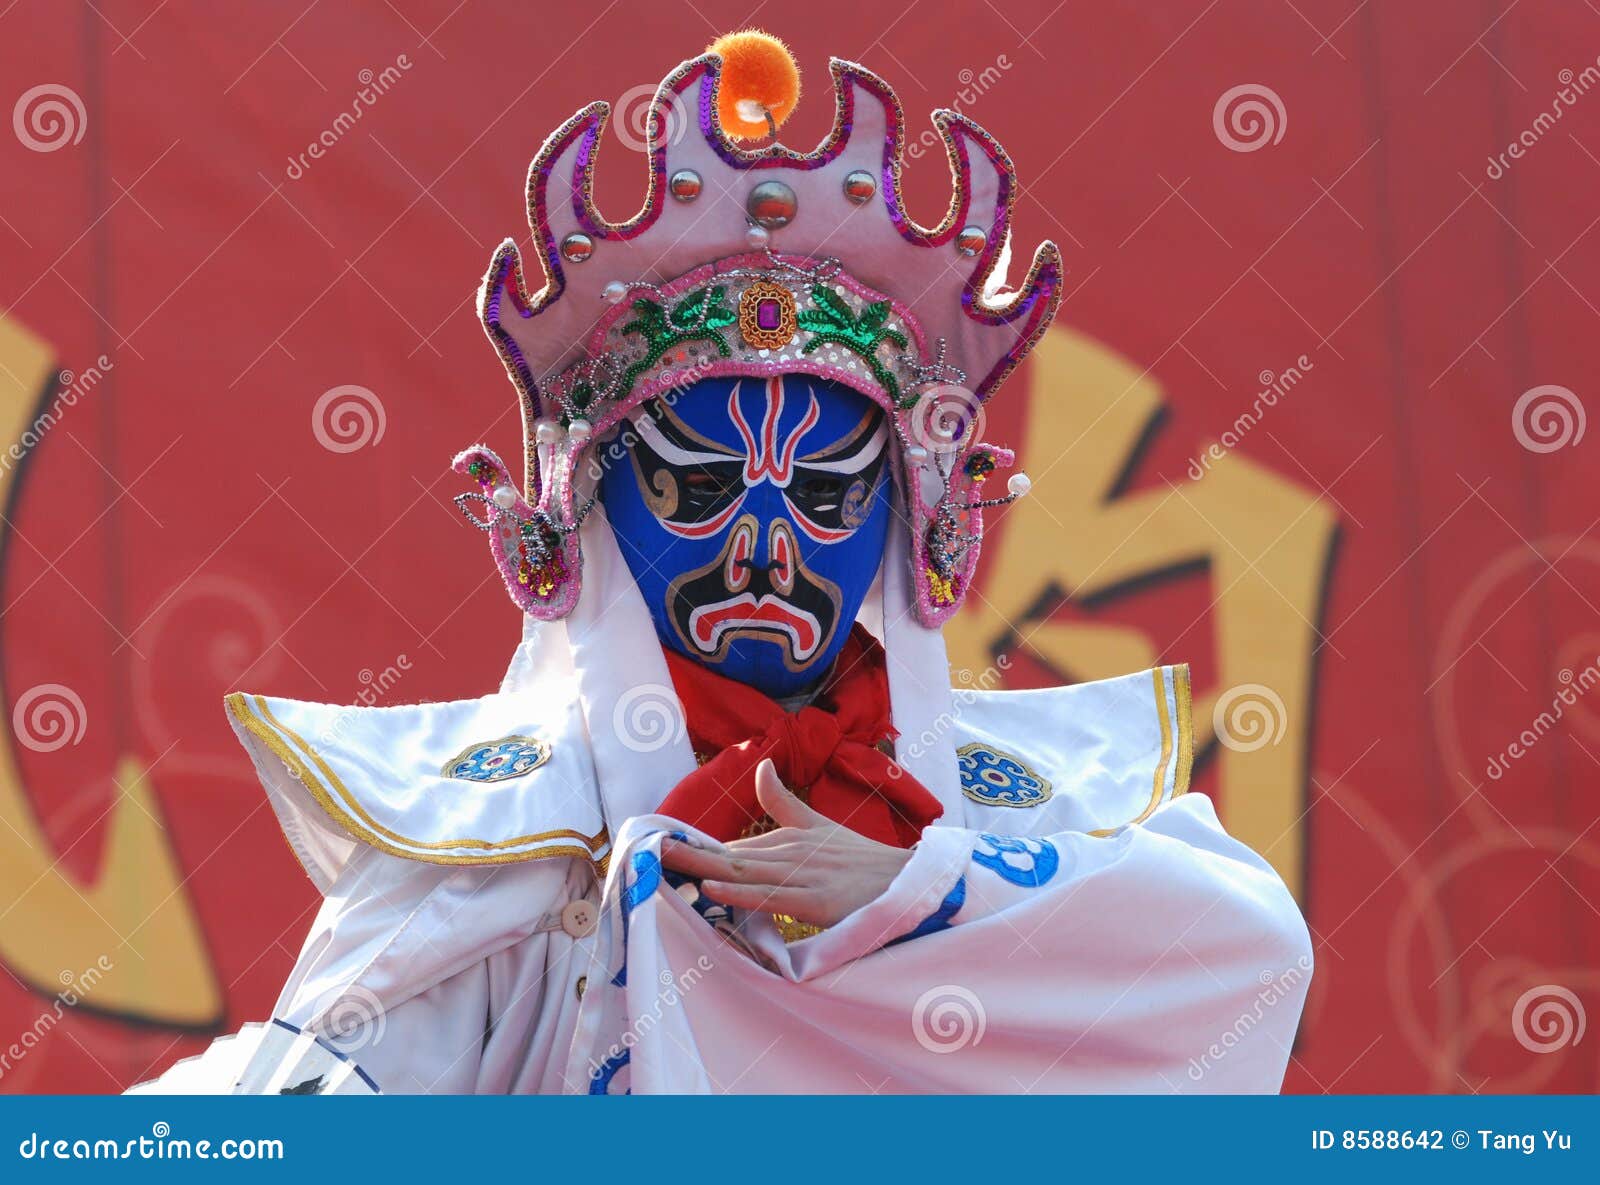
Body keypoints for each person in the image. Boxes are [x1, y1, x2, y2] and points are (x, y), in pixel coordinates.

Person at [134, 30, 1311, 1096]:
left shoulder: (1023, 819)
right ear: (587, 516)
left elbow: (1246, 960)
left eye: (825, 493)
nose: (762, 543)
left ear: (914, 521)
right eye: (697, 488)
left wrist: (917, 890)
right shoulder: (498, 858)